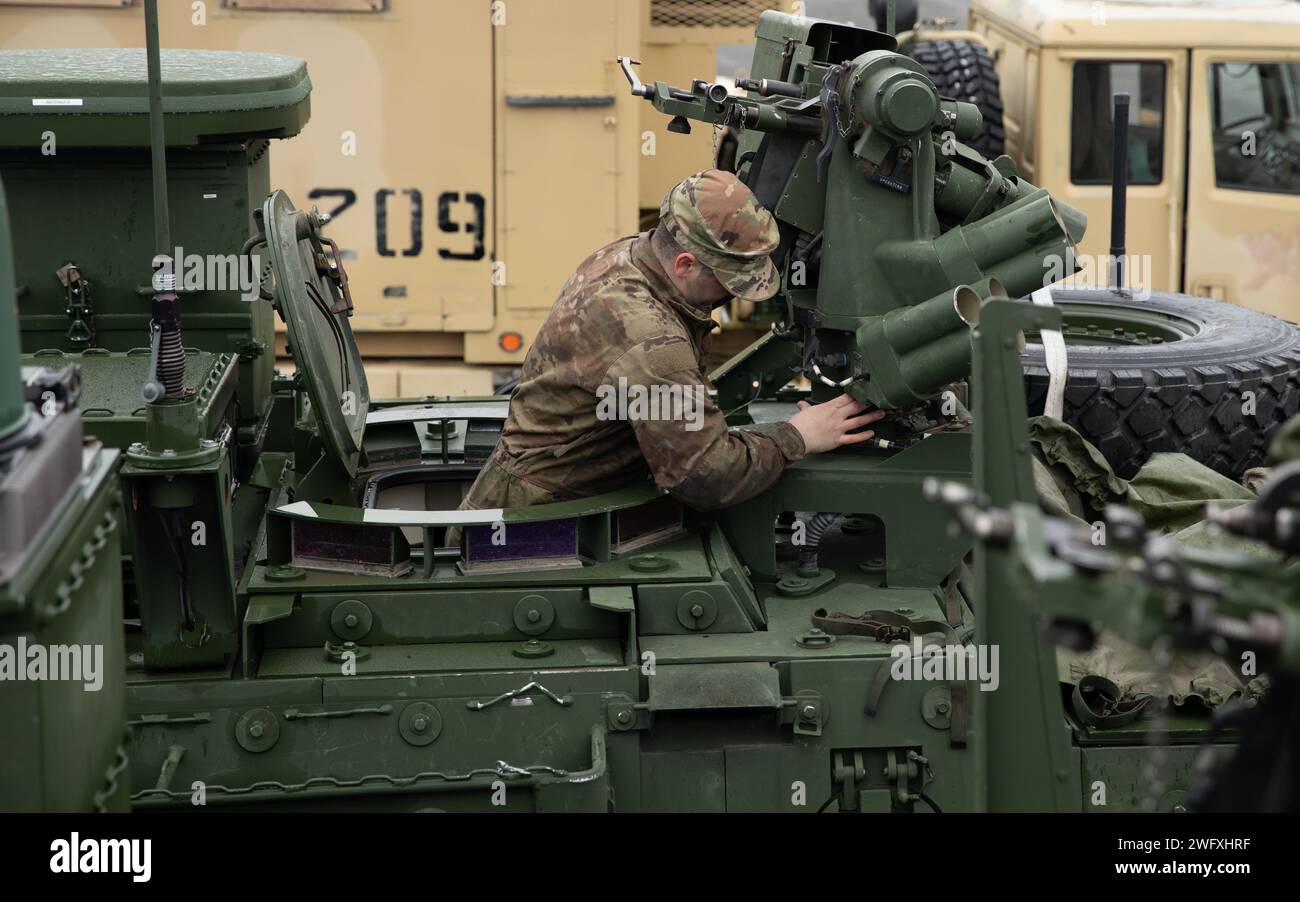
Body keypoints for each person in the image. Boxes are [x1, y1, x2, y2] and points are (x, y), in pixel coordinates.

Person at [452, 169, 881, 538]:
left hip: (533, 497)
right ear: (685, 265)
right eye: (729, 280)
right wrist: (798, 436)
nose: (734, 294)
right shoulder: (650, 342)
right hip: (536, 530)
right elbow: (706, 476)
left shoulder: (630, 254)